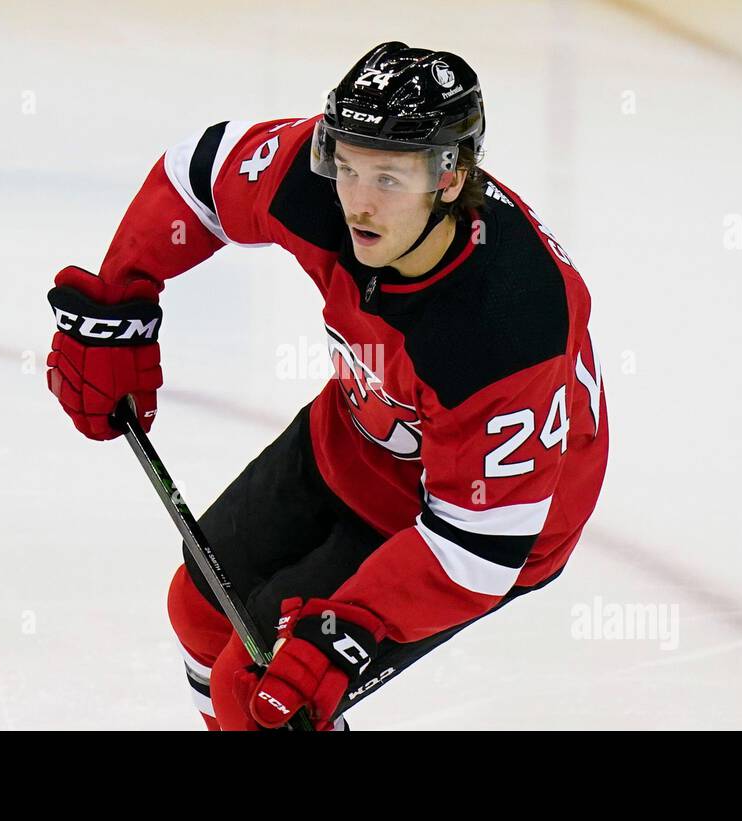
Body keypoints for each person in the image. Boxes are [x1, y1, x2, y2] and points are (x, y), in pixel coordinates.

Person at [45, 41, 609, 730]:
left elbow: (478, 548)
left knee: (261, 699)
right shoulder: (320, 189)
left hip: (492, 517)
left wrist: (349, 630)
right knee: (199, 614)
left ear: (451, 177)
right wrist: (118, 301)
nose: (359, 204)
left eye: (390, 180)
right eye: (346, 168)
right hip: (363, 431)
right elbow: (199, 176)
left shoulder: (505, 323)